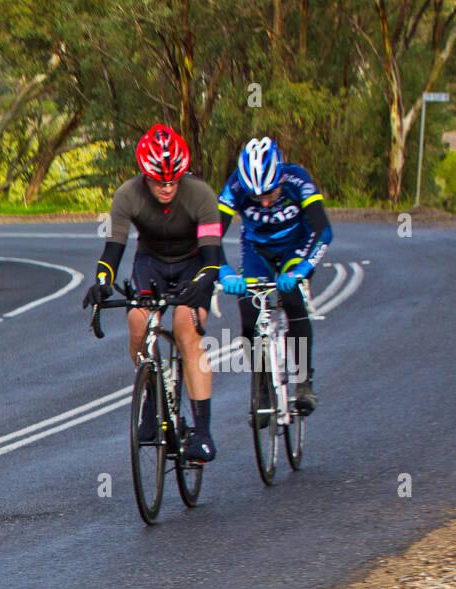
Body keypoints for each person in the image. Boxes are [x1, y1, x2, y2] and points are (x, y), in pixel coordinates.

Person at [82, 124, 226, 462]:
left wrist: (203, 282)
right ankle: (152, 399)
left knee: (186, 329)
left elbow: (212, 258)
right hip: (152, 264)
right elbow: (113, 250)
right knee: (137, 323)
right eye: (159, 181)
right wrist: (102, 281)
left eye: (173, 180)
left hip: (194, 265)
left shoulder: (201, 194)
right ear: (144, 176)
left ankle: (202, 434)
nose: (166, 187)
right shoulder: (128, 194)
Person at [215, 136, 331, 414]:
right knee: (247, 313)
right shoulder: (235, 185)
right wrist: (224, 272)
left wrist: (303, 269)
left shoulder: (297, 178)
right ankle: (262, 385)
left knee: (291, 300)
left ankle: (303, 382)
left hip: (296, 245)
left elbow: (323, 231)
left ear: (281, 179)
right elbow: (211, 235)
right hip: (258, 250)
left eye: (271, 194)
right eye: (257, 198)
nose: (265, 203)